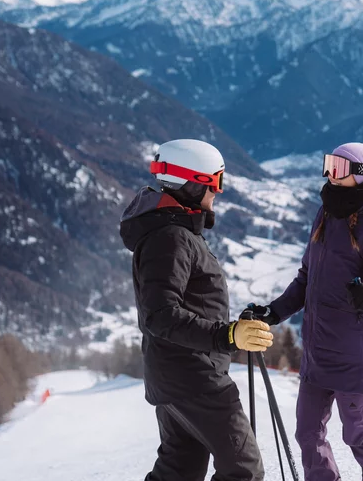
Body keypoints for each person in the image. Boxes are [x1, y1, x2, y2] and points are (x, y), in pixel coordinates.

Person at [252, 142, 363, 481]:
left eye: (338, 169)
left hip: (354, 352)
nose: (329, 176)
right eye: (328, 166)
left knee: (357, 434)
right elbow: (307, 278)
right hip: (317, 350)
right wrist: (274, 312)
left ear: (361, 174)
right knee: (307, 433)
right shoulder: (326, 211)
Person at [120, 139, 273, 481]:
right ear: (192, 184)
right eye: (215, 183)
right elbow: (160, 315)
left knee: (179, 470)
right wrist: (228, 335)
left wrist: (231, 328)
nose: (218, 192)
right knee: (243, 469)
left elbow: (187, 304)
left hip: (177, 374)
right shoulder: (170, 237)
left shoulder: (170, 231)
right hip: (196, 377)